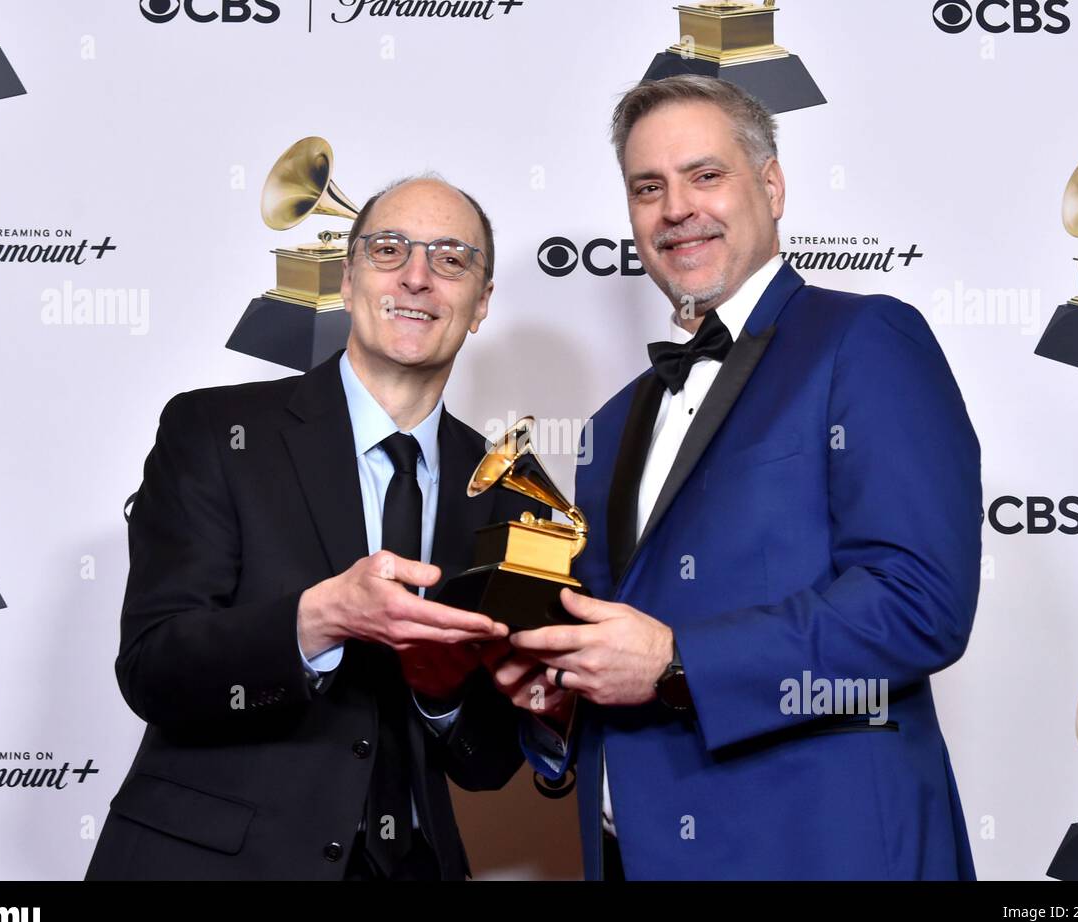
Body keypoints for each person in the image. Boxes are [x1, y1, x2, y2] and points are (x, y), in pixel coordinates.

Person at [485, 76, 983, 880]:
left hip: (822, 852)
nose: (675, 207)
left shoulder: (865, 338)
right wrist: (559, 696)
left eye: (705, 175)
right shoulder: (612, 424)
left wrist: (680, 661)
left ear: (772, 186)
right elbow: (620, 645)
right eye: (648, 188)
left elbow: (919, 599)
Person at [87, 175, 537, 881]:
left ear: (480, 304)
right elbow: (153, 668)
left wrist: (444, 692)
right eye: (390, 251)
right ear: (348, 278)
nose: (417, 277)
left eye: (452, 258)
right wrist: (318, 620)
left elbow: (489, 764)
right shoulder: (214, 431)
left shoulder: (510, 488)